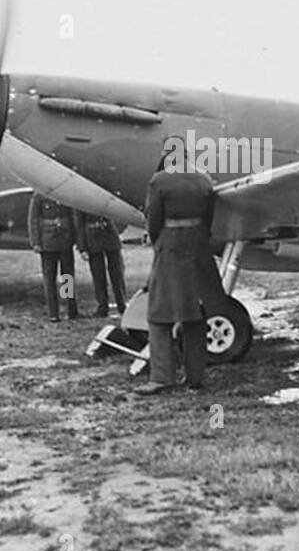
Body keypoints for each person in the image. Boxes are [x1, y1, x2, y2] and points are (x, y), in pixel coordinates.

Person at [135, 142, 225, 395]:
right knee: (195, 315)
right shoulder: (204, 179)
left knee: (158, 314)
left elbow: (153, 220)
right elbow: (209, 218)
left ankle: (162, 378)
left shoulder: (160, 180)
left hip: (171, 248)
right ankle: (196, 378)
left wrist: (159, 243)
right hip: (198, 248)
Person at [27, 193, 78, 322]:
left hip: (65, 241)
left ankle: (70, 310)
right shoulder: (39, 196)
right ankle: (53, 313)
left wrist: (75, 238)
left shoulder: (64, 193)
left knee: (67, 277)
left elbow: (72, 217)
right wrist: (36, 242)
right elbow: (33, 219)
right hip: (47, 243)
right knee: (49, 279)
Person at [75, 210, 128, 318]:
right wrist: (82, 247)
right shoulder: (82, 199)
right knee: (98, 276)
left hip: (109, 234)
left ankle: (122, 304)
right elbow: (79, 224)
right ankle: (102, 306)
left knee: (117, 274)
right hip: (92, 237)